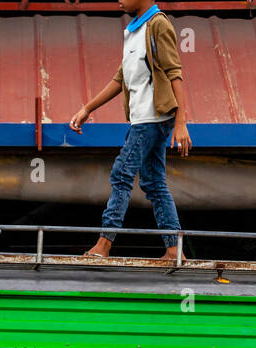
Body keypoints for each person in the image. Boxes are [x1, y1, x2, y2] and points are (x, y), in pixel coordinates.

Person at [68, 0, 191, 261]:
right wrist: (87, 109)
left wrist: (181, 123)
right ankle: (174, 249)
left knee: (122, 173)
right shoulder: (134, 30)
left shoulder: (158, 25)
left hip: (152, 118)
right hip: (143, 119)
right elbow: (120, 79)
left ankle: (104, 243)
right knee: (153, 182)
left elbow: (175, 73)